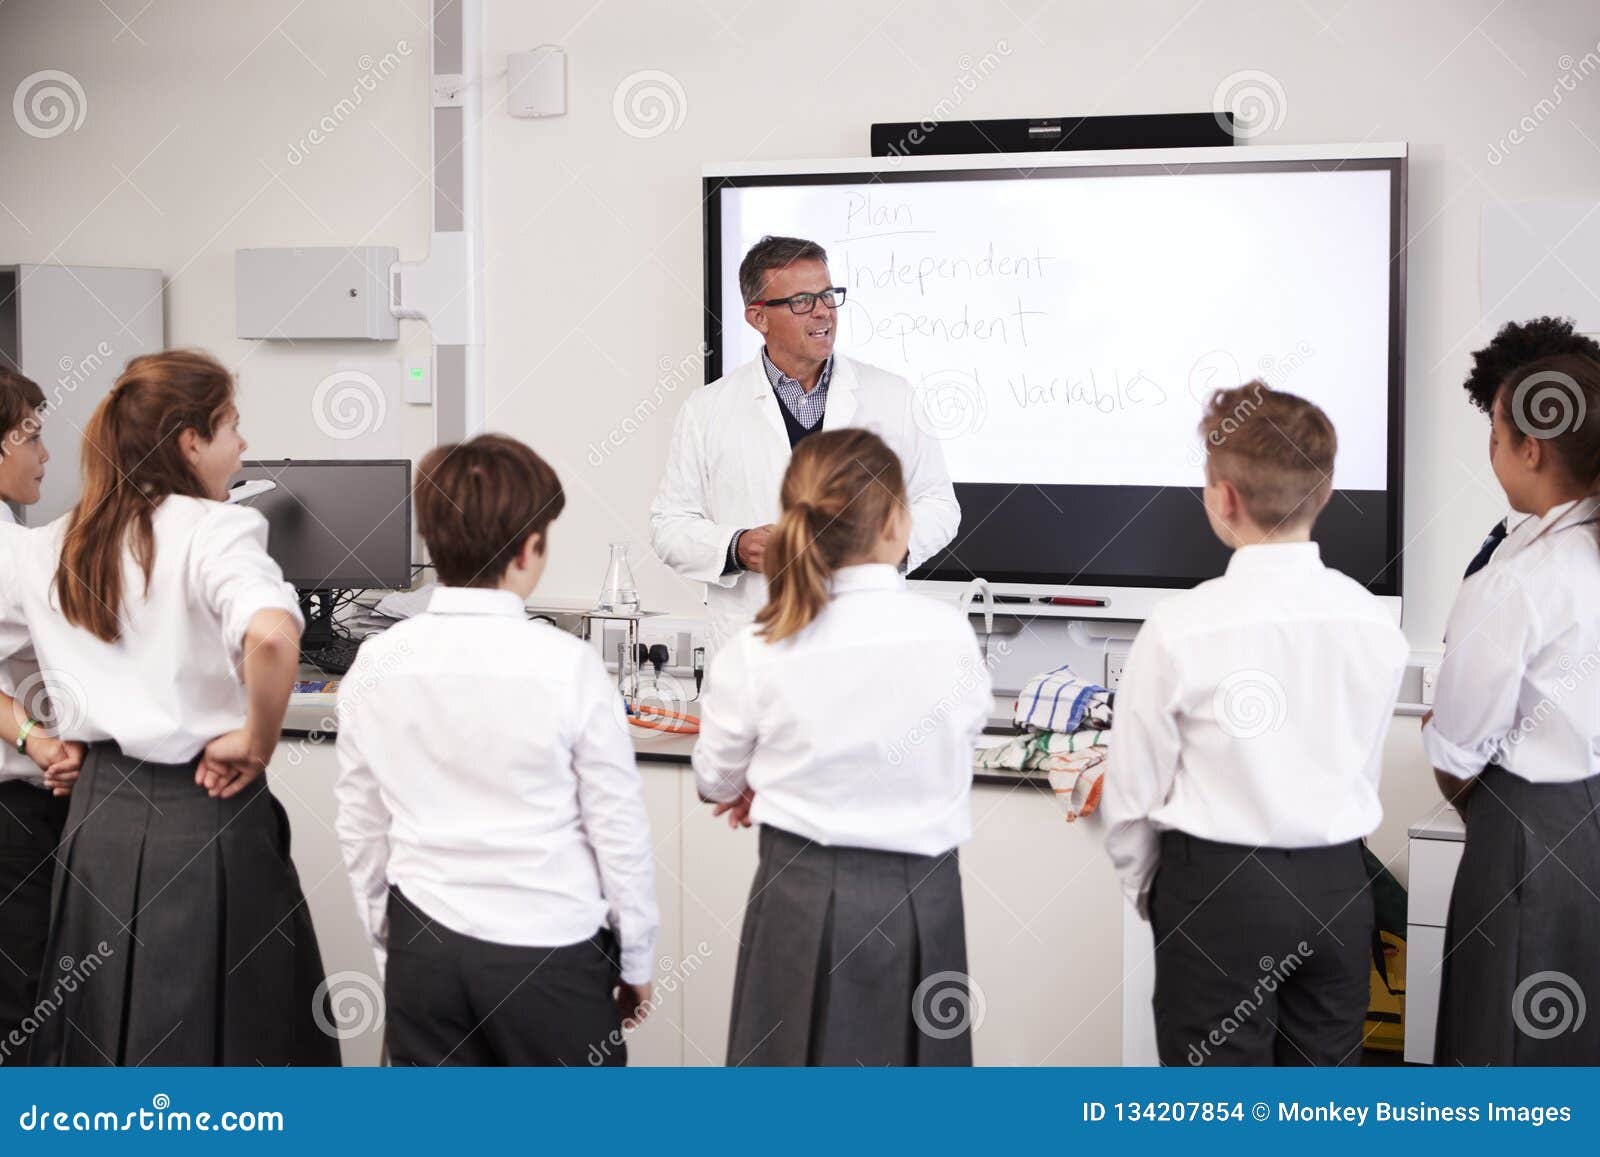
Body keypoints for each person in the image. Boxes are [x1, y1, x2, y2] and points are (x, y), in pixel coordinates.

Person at [0, 350, 339, 1066]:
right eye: (232, 427)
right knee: (233, 1045)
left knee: (99, 1047)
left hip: (95, 824)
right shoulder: (215, 529)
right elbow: (274, 633)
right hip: (206, 812)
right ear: (189, 441)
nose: (242, 446)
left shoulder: (48, 545)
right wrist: (257, 736)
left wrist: (39, 738)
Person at [1102, 381, 1408, 1067]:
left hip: (1217, 893)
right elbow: (1361, 762)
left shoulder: (1180, 626)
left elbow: (1130, 796)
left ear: (1223, 498)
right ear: (1325, 491)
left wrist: (1156, 892)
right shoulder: (1373, 621)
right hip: (1339, 889)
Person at [335, 434, 659, 1066]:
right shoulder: (567, 665)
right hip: (551, 953)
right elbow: (617, 830)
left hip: (424, 950)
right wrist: (638, 955)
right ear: (530, 549)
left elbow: (361, 828)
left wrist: (392, 949)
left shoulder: (375, 662)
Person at [694, 428, 990, 1066]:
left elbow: (715, 780)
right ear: (895, 524)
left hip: (798, 897)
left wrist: (759, 782)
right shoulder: (949, 634)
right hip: (924, 902)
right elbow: (959, 745)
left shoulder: (760, 642)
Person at [651, 234, 960, 651]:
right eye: (802, 301)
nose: (823, 313)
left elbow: (939, 505)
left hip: (862, 638)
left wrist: (875, 549)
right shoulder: (706, 409)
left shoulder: (892, 395)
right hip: (755, 641)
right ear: (758, 317)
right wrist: (736, 547)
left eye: (828, 296)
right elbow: (669, 525)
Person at [1424, 353, 1600, 1065]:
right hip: (1584, 829)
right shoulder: (1582, 552)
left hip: (1522, 839)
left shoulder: (1517, 582)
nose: (1489, 448)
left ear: (1531, 447)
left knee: (1498, 1047)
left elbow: (1454, 750)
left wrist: (1499, 818)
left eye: (1494, 431)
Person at [0, 367, 81, 1064]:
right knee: (25, 1008)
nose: (44, 455)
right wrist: (33, 737)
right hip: (14, 813)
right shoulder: (14, 553)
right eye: (31, 436)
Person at [1459, 317, 1600, 576]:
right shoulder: (1512, 536)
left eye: (1501, 429)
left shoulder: (1530, 563)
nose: (1495, 442)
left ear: (1531, 449)